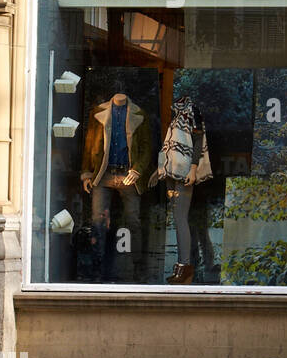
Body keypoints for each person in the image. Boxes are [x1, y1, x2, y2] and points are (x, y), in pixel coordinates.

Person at [80, 92, 151, 283]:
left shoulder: (140, 114)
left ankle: (138, 269)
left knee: (134, 221)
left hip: (128, 174)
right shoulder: (98, 112)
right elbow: (89, 144)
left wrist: (138, 170)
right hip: (103, 173)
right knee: (97, 222)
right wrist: (87, 172)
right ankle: (97, 270)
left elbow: (146, 148)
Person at [149, 95, 213, 285]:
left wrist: (193, 169)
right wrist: (159, 170)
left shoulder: (191, 112)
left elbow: (198, 140)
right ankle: (183, 267)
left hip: (184, 172)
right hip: (171, 171)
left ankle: (185, 267)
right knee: (178, 219)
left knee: (180, 218)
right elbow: (168, 147)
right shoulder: (177, 116)